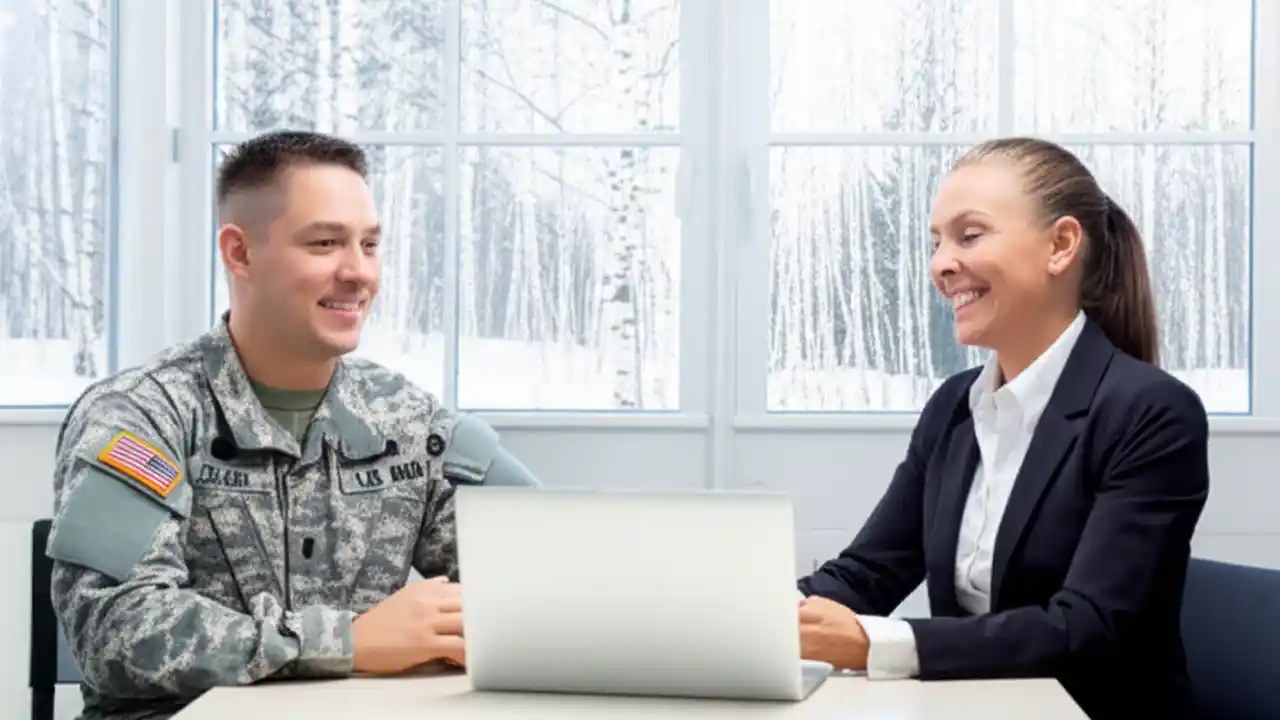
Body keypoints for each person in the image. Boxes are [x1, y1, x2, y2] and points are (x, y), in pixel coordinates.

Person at [45, 130, 540, 719]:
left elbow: (552, 576)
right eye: (326, 243)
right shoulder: (143, 415)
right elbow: (113, 630)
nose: (359, 273)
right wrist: (345, 643)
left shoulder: (413, 422)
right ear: (240, 253)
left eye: (371, 244)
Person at [795, 137, 1209, 720]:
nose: (941, 264)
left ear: (1061, 245)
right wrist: (760, 614)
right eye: (936, 242)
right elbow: (871, 571)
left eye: (969, 235)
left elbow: (1087, 626)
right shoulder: (953, 409)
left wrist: (878, 643)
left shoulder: (1152, 413)